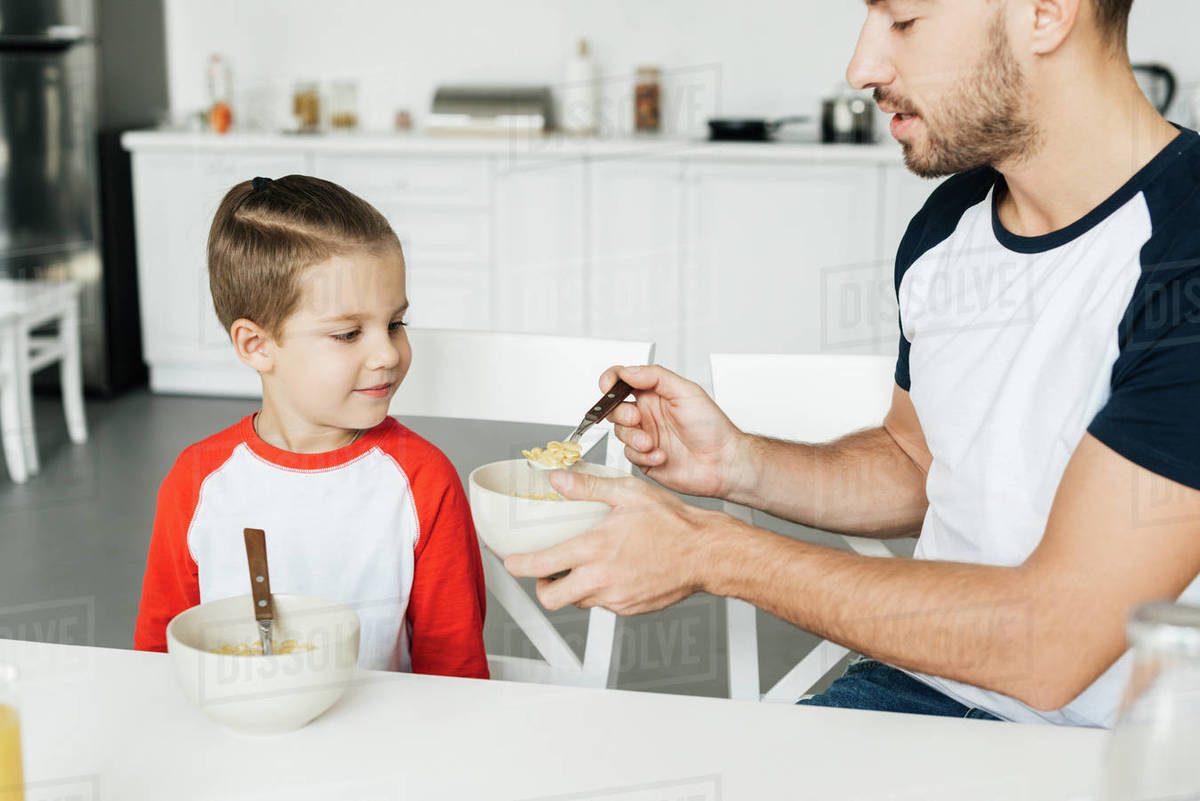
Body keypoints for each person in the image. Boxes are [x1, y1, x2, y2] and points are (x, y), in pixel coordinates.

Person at [506, 0, 1200, 726]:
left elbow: (1052, 643)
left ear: (1046, 13)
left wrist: (710, 551)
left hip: (1130, 744)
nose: (860, 68)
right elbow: (918, 460)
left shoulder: (1184, 250)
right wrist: (739, 464)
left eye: (902, 21)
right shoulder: (950, 224)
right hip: (923, 689)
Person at [134, 175, 488, 679]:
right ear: (257, 345)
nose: (387, 353)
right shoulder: (196, 484)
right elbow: (158, 658)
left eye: (395, 324)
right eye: (348, 334)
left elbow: (456, 671)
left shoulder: (423, 483)